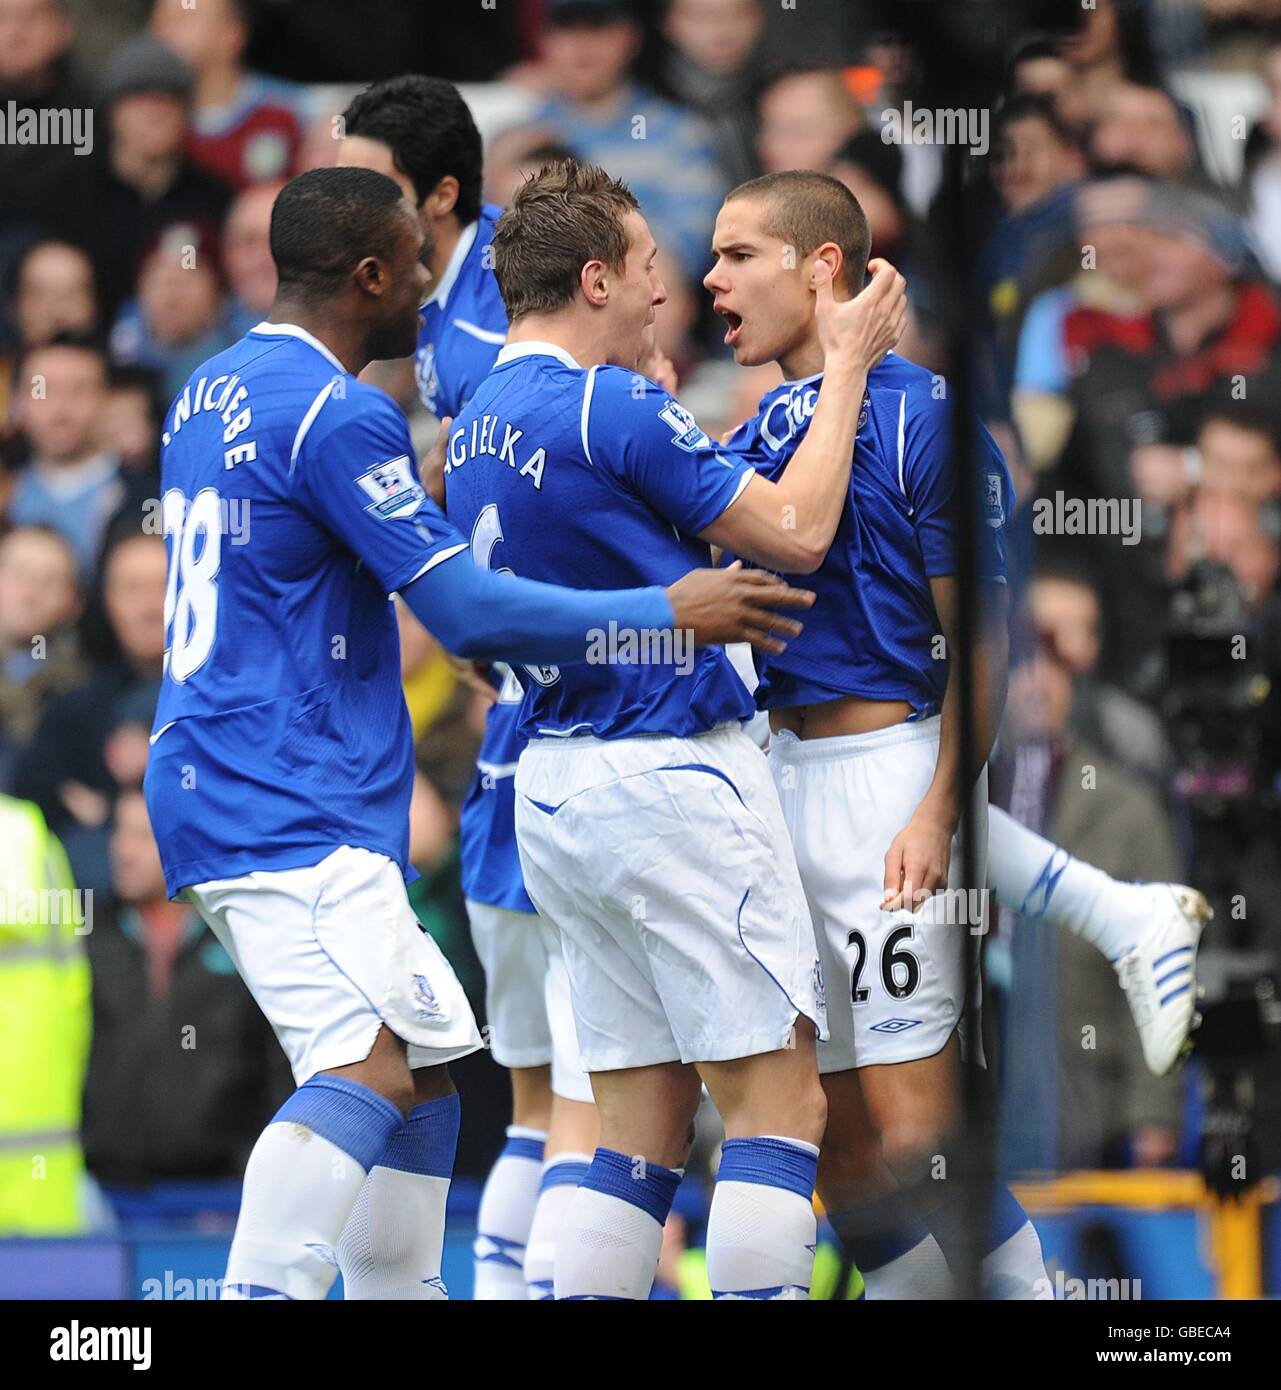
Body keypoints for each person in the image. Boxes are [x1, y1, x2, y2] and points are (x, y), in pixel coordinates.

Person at [141, 164, 810, 1302]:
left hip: (234, 768)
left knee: (429, 1077)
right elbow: (461, 610)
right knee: (359, 1070)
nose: (435, 290)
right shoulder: (340, 412)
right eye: (416, 266)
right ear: (369, 274)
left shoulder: (206, 389)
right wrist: (664, 609)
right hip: (282, 787)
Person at [704, 169, 1207, 1296]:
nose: (713, 279)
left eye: (739, 255)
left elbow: (982, 641)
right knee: (829, 1145)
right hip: (779, 785)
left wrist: (938, 806)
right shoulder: (756, 429)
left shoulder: (926, 418)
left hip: (888, 781)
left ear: (820, 265)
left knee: (919, 1133)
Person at [446, 158, 908, 1301]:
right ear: (596, 279)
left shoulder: (467, 421)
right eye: (652, 266)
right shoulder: (610, 403)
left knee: (634, 1130)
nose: (671, 293)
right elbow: (797, 534)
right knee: (780, 1106)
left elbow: (471, 633)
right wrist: (845, 367)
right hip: (670, 776)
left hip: (551, 792)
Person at [337, 74, 596, 1301]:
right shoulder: (429, 313)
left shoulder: (506, 319)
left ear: (441, 195)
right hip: (526, 739)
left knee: (600, 1100)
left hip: (588, 728)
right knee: (569, 1098)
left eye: (373, 182)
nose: (345, 203)